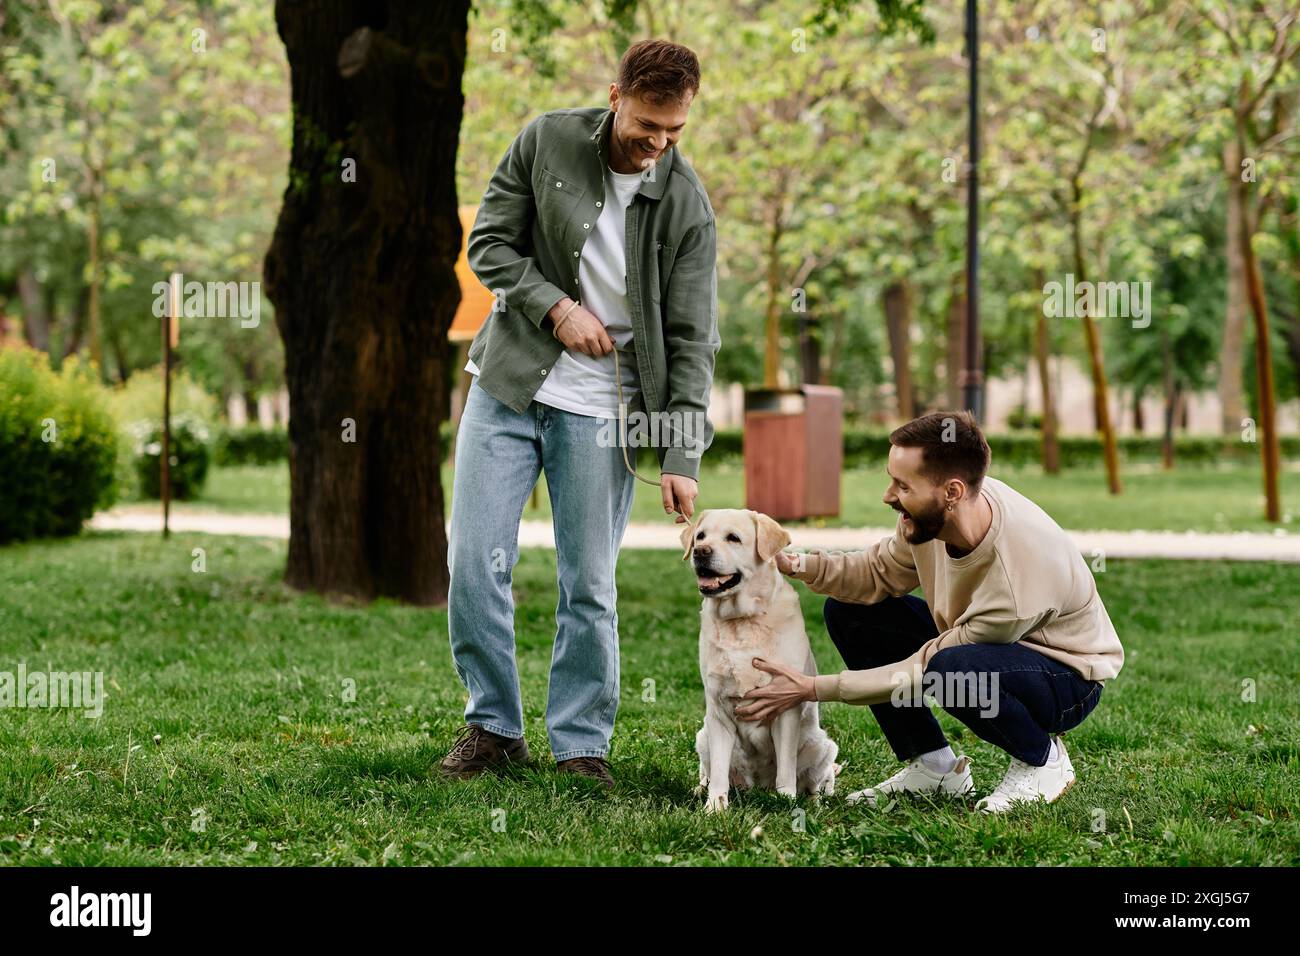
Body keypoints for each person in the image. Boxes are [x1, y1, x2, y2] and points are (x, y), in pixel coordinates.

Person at [441, 39, 720, 790]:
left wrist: (680, 457)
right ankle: (493, 728)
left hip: (605, 412)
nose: (657, 145)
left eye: (674, 132)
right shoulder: (547, 139)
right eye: (646, 127)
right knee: (474, 564)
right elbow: (489, 243)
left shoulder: (687, 206)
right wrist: (555, 308)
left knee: (588, 582)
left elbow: (694, 341)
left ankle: (581, 744)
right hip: (507, 386)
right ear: (616, 95)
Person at [735, 411, 1124, 813]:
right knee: (851, 613)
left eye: (902, 485)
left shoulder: (1015, 575)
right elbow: (878, 571)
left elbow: (926, 666)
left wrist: (814, 688)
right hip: (979, 646)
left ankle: (1042, 760)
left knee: (954, 670)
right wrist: (797, 564)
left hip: (1067, 678)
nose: (888, 495)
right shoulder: (937, 515)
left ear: (951, 492)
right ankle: (936, 767)